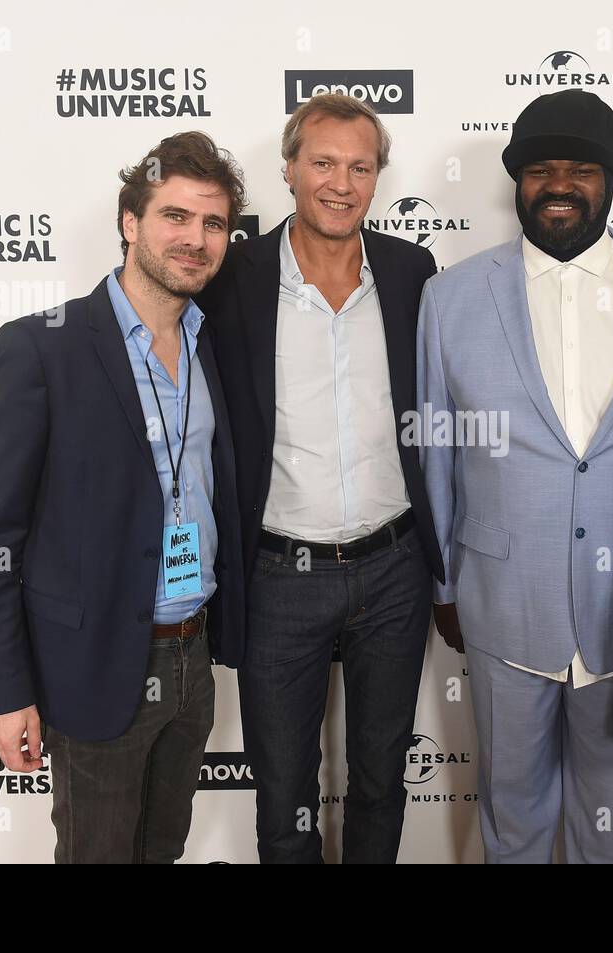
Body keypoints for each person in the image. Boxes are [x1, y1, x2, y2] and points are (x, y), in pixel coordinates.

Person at [418, 89, 613, 863]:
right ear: (516, 181)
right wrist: (445, 585)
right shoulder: (449, 298)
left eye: (581, 169)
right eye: (540, 168)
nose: (559, 184)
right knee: (510, 814)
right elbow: (437, 452)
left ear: (610, 181)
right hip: (500, 604)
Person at [0, 131, 247, 863]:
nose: (196, 239)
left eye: (213, 224)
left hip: (193, 657)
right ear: (130, 221)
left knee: (162, 850)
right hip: (95, 661)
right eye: (175, 217)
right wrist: (2, 689)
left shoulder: (213, 342)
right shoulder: (42, 347)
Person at [193, 94, 444, 863]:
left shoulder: (411, 271)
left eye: (359, 166)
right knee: (283, 794)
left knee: (379, 780)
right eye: (324, 162)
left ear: (377, 177)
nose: (341, 182)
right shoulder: (231, 275)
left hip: (396, 567)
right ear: (291, 169)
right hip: (279, 574)